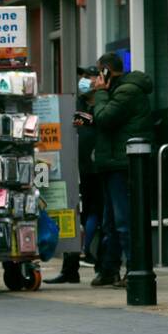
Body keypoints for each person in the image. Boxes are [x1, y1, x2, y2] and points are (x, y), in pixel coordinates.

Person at [89, 52, 153, 288]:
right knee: (110, 222)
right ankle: (109, 269)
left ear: (106, 71)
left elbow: (105, 118)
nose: (95, 78)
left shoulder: (127, 91)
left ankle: (135, 269)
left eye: (98, 72)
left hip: (122, 164)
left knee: (124, 220)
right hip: (111, 162)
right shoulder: (118, 91)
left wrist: (101, 92)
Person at [49, 68, 103, 285]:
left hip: (98, 169)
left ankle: (88, 254)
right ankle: (71, 267)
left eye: (88, 76)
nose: (83, 80)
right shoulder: (77, 104)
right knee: (74, 213)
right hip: (76, 168)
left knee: (95, 213)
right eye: (81, 76)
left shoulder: (103, 102)